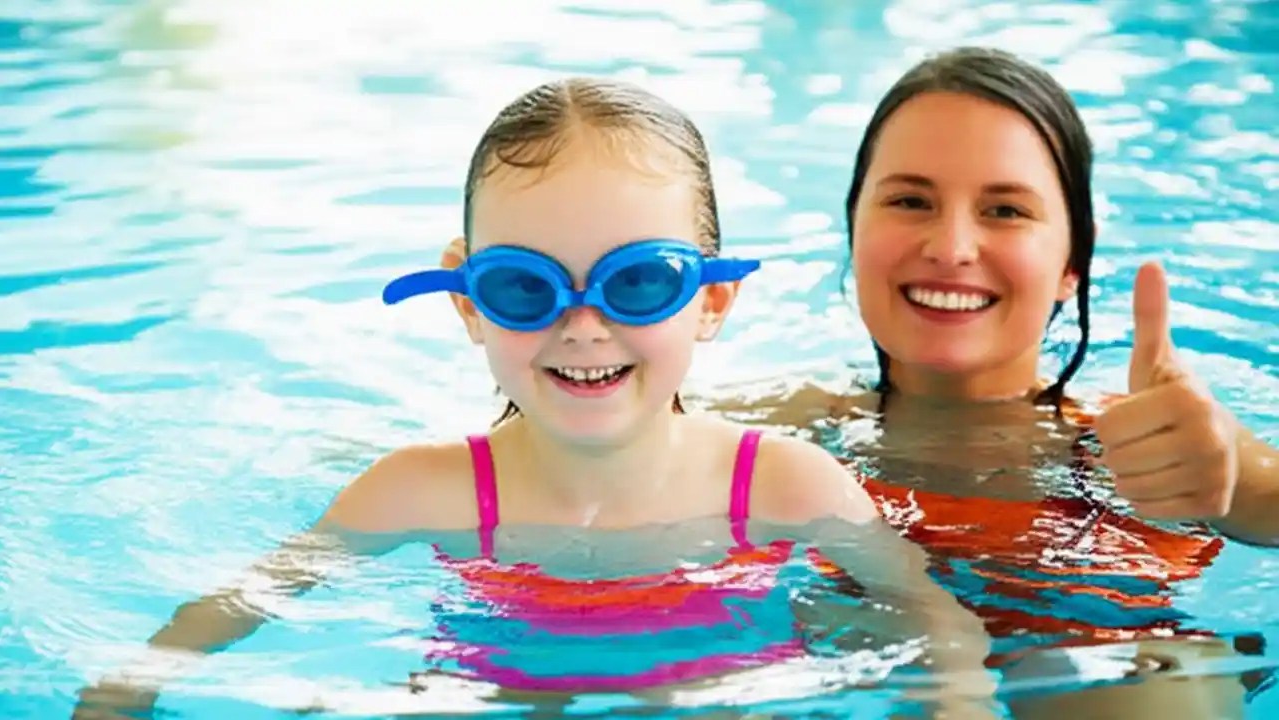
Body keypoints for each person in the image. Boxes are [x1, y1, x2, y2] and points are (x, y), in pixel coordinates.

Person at [74, 77, 994, 719]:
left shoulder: (785, 486)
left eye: (638, 283)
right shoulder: (416, 491)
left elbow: (934, 624)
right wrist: (124, 690)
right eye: (526, 288)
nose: (583, 326)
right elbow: (232, 608)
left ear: (711, 300)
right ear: (469, 300)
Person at [706, 46, 1278, 717]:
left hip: (1100, 653)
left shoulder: (1146, 440)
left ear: (1073, 263)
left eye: (1005, 211)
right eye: (910, 200)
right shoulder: (787, 427)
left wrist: (1231, 479)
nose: (951, 248)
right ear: (853, 230)